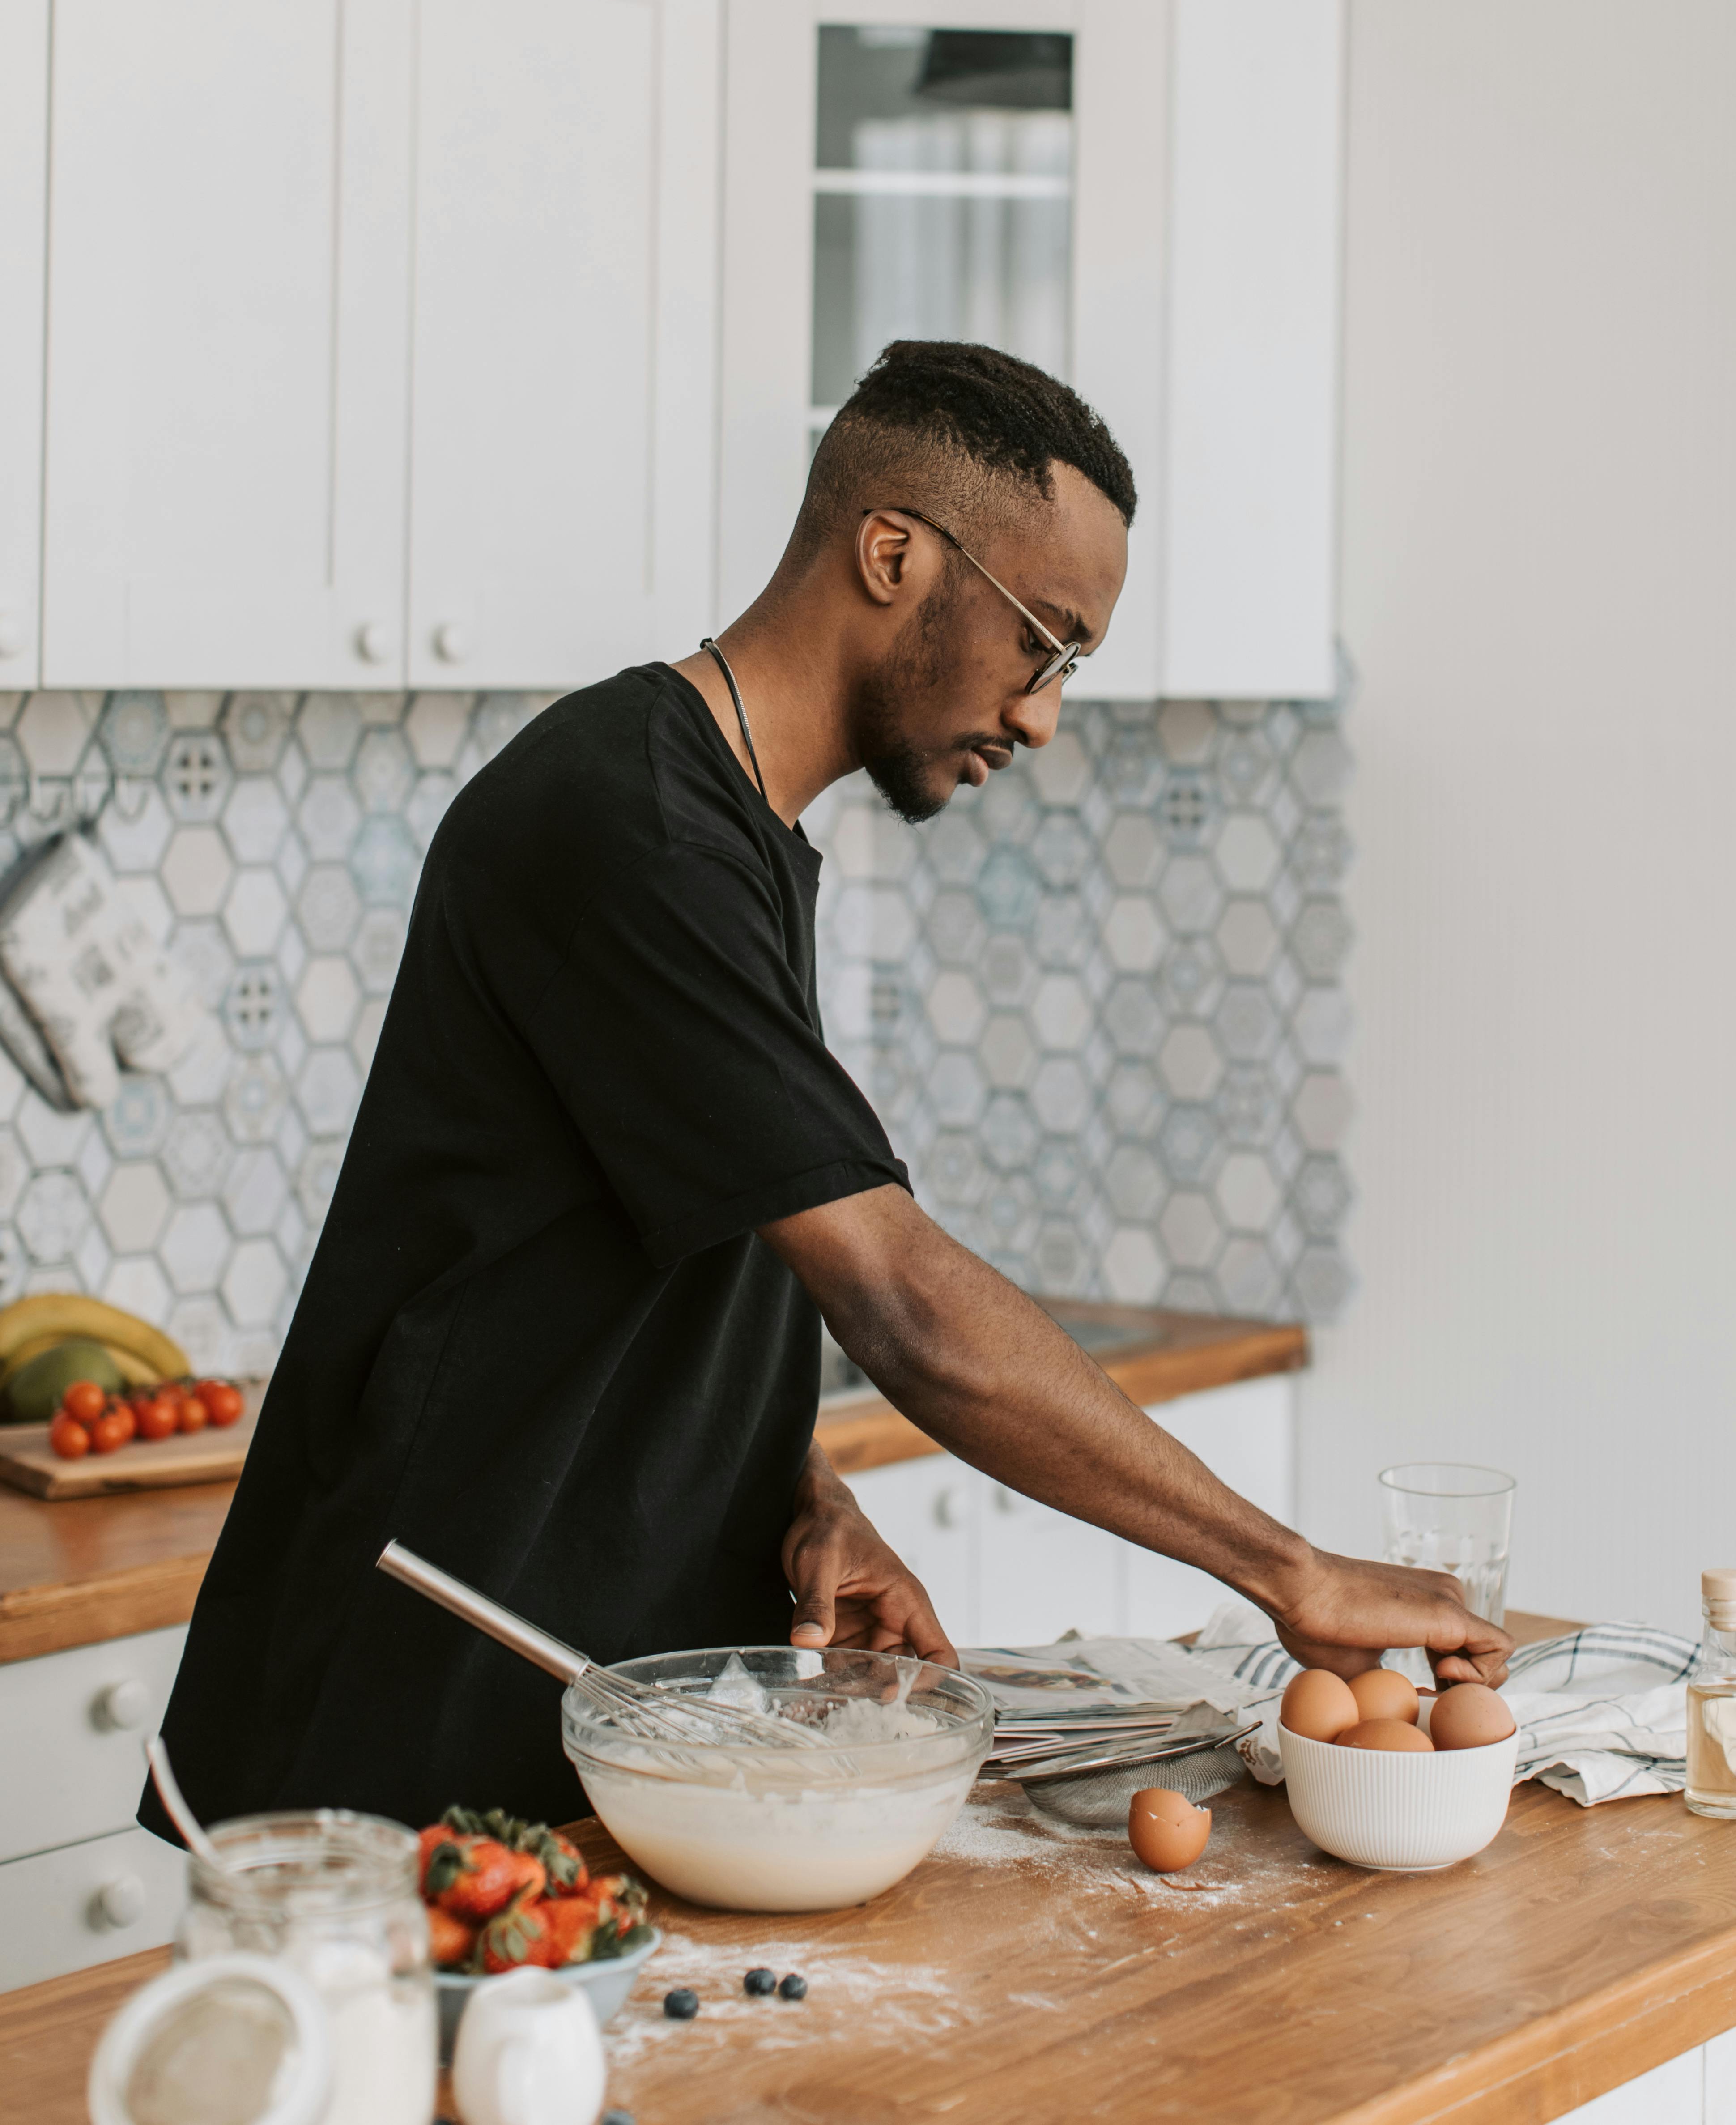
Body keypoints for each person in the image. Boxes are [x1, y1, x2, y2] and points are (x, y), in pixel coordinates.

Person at [144, 339, 1509, 1841]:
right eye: (1047, 643)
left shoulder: (729, 827)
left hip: (566, 1720)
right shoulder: (628, 823)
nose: (1044, 716)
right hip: (396, 1724)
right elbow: (906, 1307)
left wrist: (799, 1490)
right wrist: (1287, 1569)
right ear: (891, 551)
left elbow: (667, 1241)